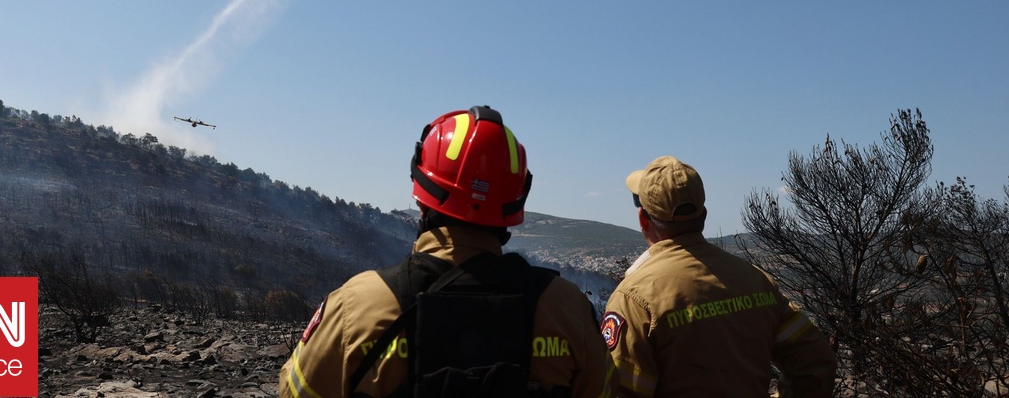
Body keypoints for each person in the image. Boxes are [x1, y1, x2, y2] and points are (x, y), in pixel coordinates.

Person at [280, 105, 617, 398]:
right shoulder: (566, 308)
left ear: (422, 194)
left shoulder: (357, 306)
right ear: (515, 199)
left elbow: (295, 392)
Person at [601, 156, 836, 397]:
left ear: (643, 219)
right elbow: (816, 363)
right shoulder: (756, 280)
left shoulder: (634, 297)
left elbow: (618, 390)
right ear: (703, 214)